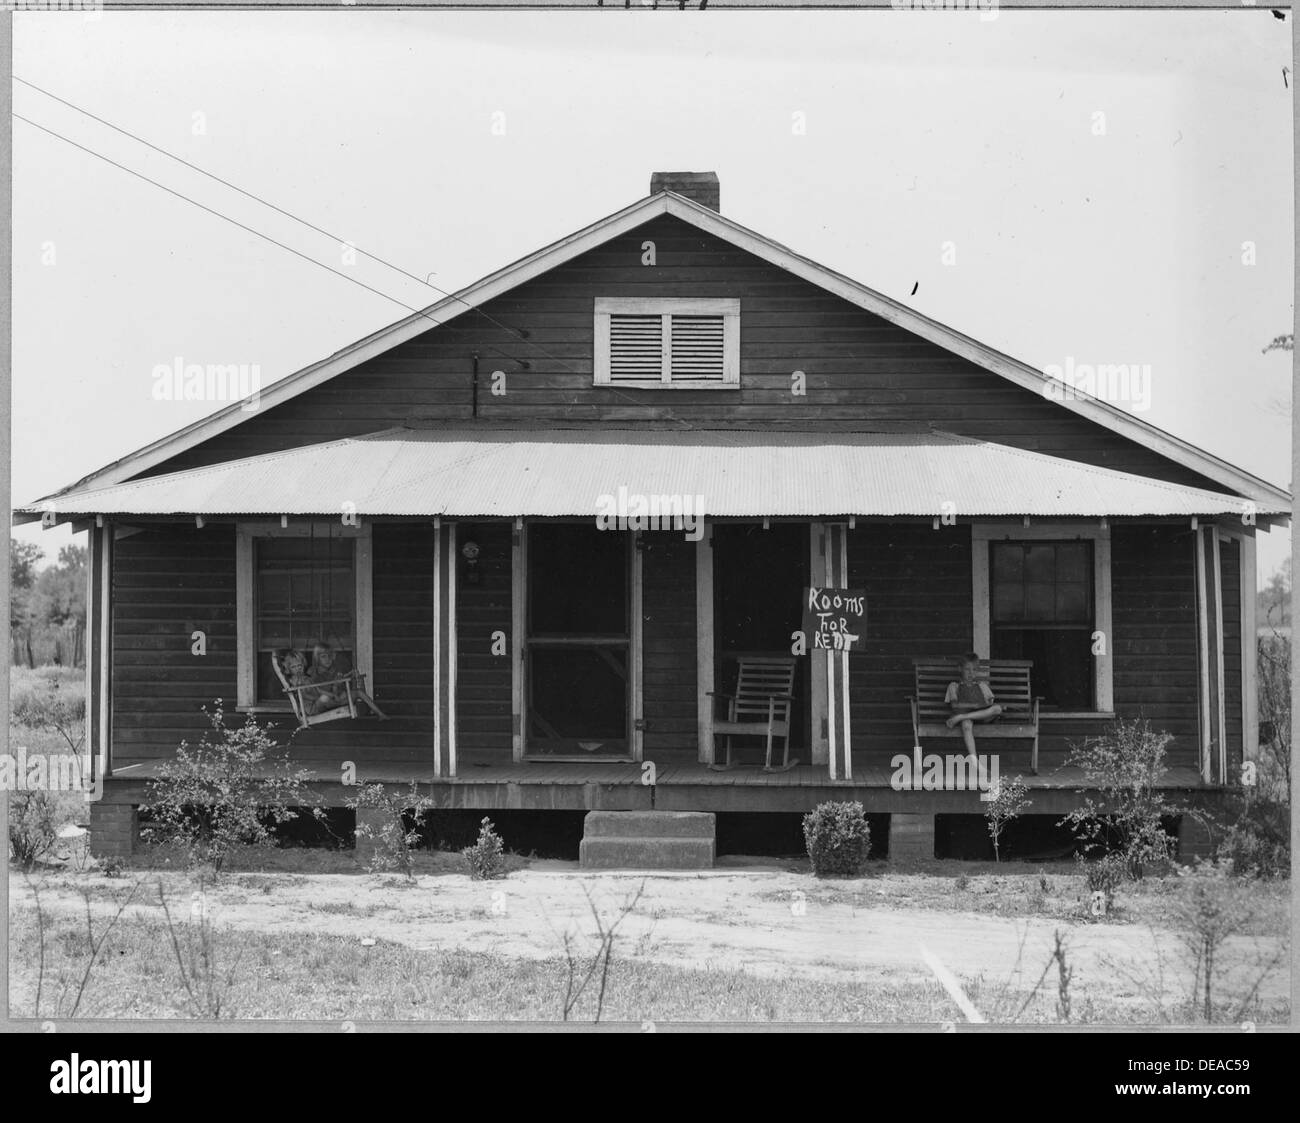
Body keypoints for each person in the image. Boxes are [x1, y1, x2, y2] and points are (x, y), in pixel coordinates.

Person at [944, 652, 1003, 759]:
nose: (971, 673)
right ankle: (975, 762)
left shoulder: (982, 686)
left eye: (974, 670)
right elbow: (954, 706)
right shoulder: (954, 686)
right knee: (966, 725)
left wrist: (979, 706)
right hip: (965, 715)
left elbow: (990, 703)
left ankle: (961, 718)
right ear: (960, 669)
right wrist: (974, 707)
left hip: (982, 716)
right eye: (967, 669)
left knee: (998, 708)